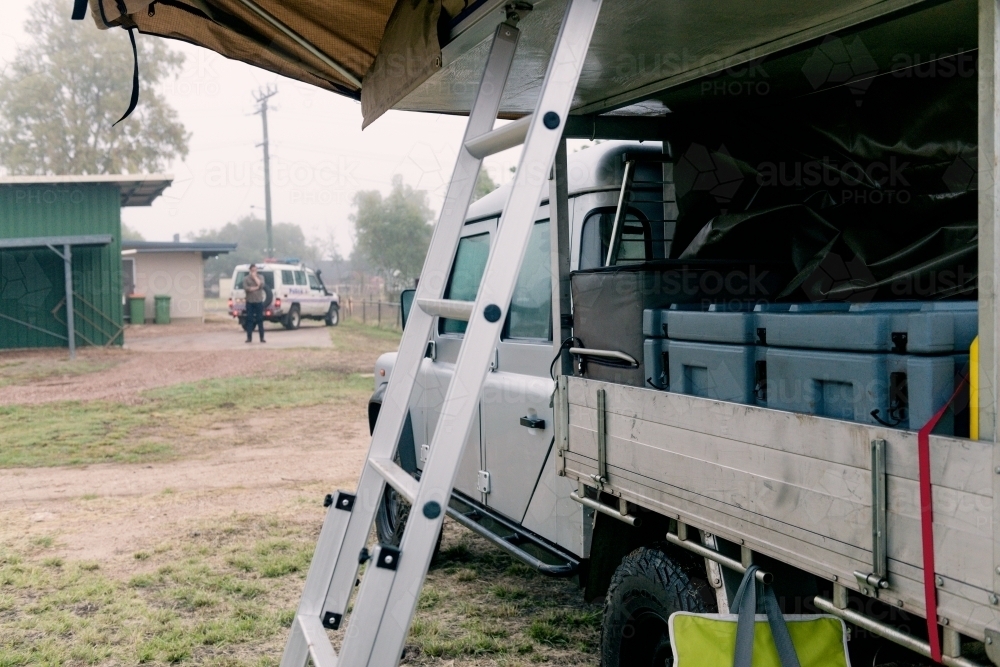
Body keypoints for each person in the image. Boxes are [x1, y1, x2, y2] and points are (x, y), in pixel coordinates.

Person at [243, 264, 266, 343]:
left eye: (255, 270)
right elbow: (246, 288)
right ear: (250, 270)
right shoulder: (246, 279)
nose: (254, 271)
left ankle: (262, 338)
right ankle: (249, 338)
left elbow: (261, 285)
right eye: (252, 270)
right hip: (250, 302)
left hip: (259, 301)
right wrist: (256, 288)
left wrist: (255, 277)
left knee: (260, 320)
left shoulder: (260, 277)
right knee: (249, 320)